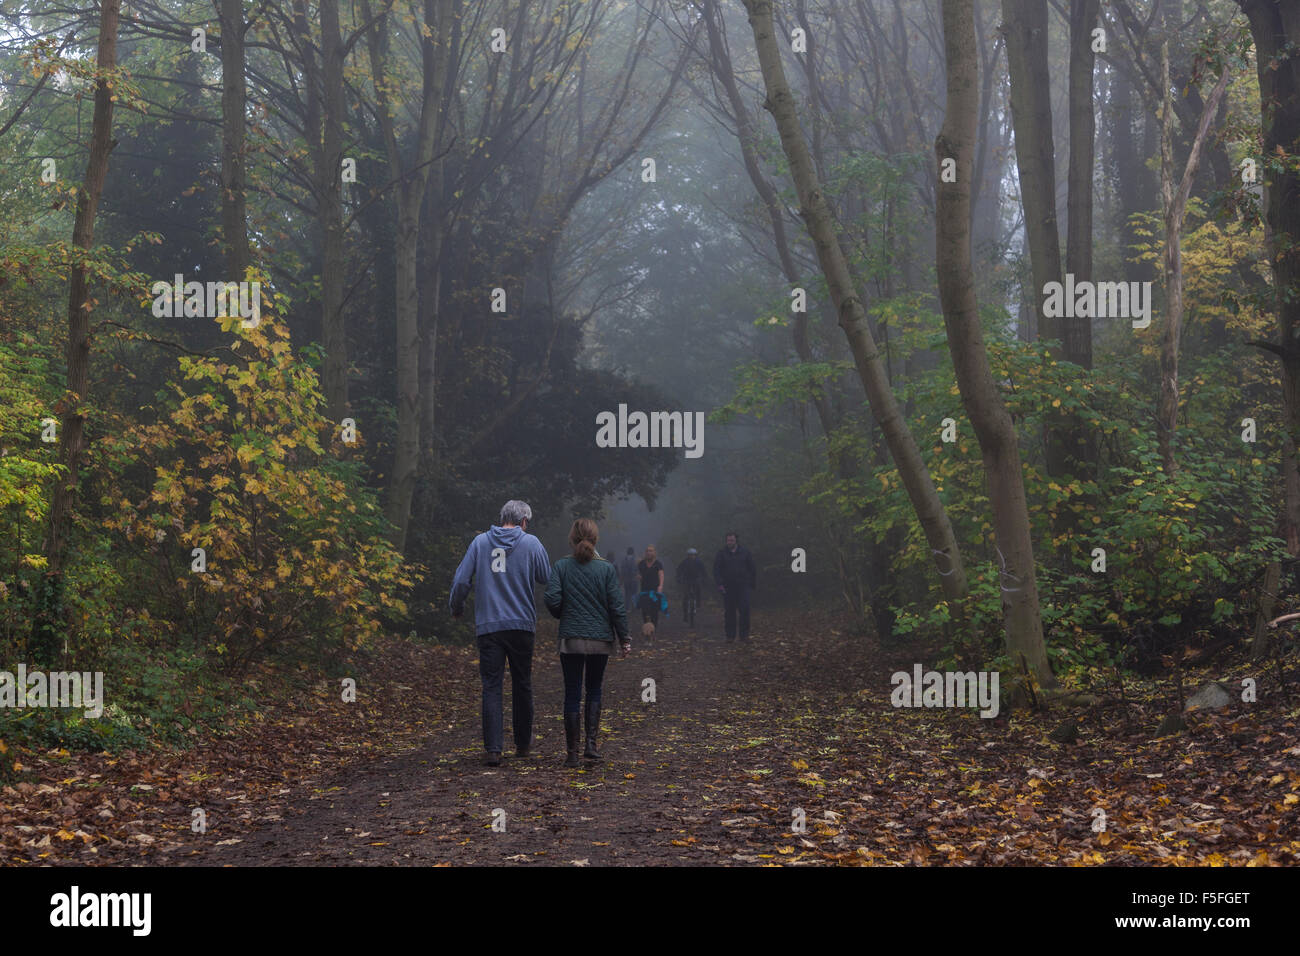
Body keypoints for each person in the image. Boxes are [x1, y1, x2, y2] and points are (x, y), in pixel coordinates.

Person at [449, 500, 552, 766]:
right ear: (524, 522)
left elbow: (462, 580)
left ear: (502, 517)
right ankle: (522, 745)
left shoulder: (480, 543)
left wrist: (457, 605)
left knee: (492, 686)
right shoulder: (531, 543)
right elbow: (546, 577)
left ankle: (494, 749)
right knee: (522, 683)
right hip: (521, 626)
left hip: (490, 625)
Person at [544, 519, 630, 767]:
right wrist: (624, 638)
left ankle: (572, 752)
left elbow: (551, 598)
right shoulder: (606, 569)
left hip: (571, 638)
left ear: (572, 538)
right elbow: (617, 607)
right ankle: (591, 744)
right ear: (596, 539)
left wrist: (562, 612)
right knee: (594, 689)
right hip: (599, 640)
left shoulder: (561, 566)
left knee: (572, 692)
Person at [713, 531, 756, 643]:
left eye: (731, 540)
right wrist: (719, 584)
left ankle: (744, 636)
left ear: (736, 540)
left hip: (743, 586)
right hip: (728, 587)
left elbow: (752, 568)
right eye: (728, 540)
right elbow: (716, 570)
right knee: (729, 612)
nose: (729, 542)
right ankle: (730, 636)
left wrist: (751, 583)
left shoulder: (745, 552)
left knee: (745, 611)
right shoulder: (721, 553)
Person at [636, 545, 666, 635]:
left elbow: (661, 575)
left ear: (654, 553)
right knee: (644, 611)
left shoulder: (658, 564)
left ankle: (653, 629)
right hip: (644, 591)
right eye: (647, 551)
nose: (649, 553)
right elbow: (638, 573)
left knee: (654, 612)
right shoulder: (641, 563)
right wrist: (639, 577)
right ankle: (646, 629)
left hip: (655, 592)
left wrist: (660, 586)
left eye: (651, 551)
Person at [675, 547, 707, 628]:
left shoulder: (699, 562)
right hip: (687, 580)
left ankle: (698, 603)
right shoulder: (684, 562)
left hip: (695, 579)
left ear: (696, 555)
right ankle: (685, 614)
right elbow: (679, 570)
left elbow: (703, 571)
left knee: (698, 590)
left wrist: (704, 579)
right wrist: (678, 578)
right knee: (685, 596)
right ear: (688, 555)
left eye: (693, 555)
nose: (692, 556)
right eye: (690, 555)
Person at [619, 547, 639, 615]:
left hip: (626, 580)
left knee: (627, 595)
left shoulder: (623, 560)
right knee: (634, 594)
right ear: (633, 552)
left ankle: (627, 609)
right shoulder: (635, 560)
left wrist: (620, 582)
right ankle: (634, 608)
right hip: (634, 580)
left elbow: (622, 572)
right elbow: (637, 570)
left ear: (627, 552)